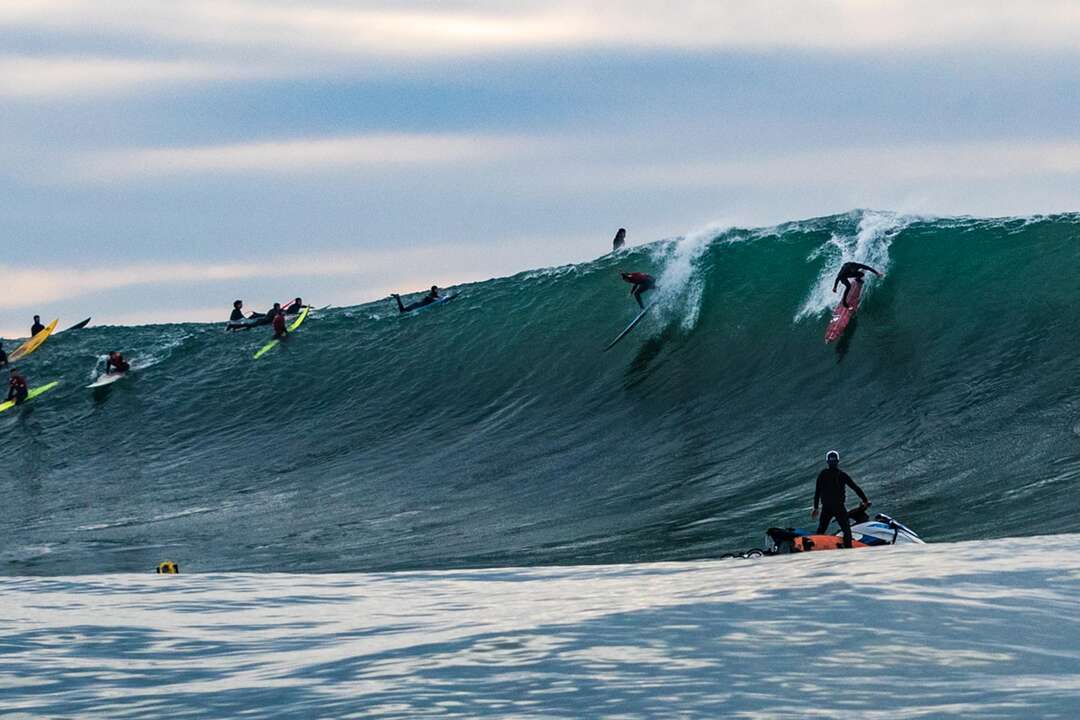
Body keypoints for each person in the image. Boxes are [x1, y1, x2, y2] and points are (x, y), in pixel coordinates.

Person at [811, 450, 871, 549]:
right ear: (838, 461)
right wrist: (865, 500)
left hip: (826, 507)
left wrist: (816, 508)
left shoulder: (822, 474)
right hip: (838, 507)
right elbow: (855, 488)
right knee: (846, 530)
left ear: (827, 461)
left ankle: (814, 548)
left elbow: (817, 492)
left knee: (821, 529)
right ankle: (848, 551)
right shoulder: (841, 475)